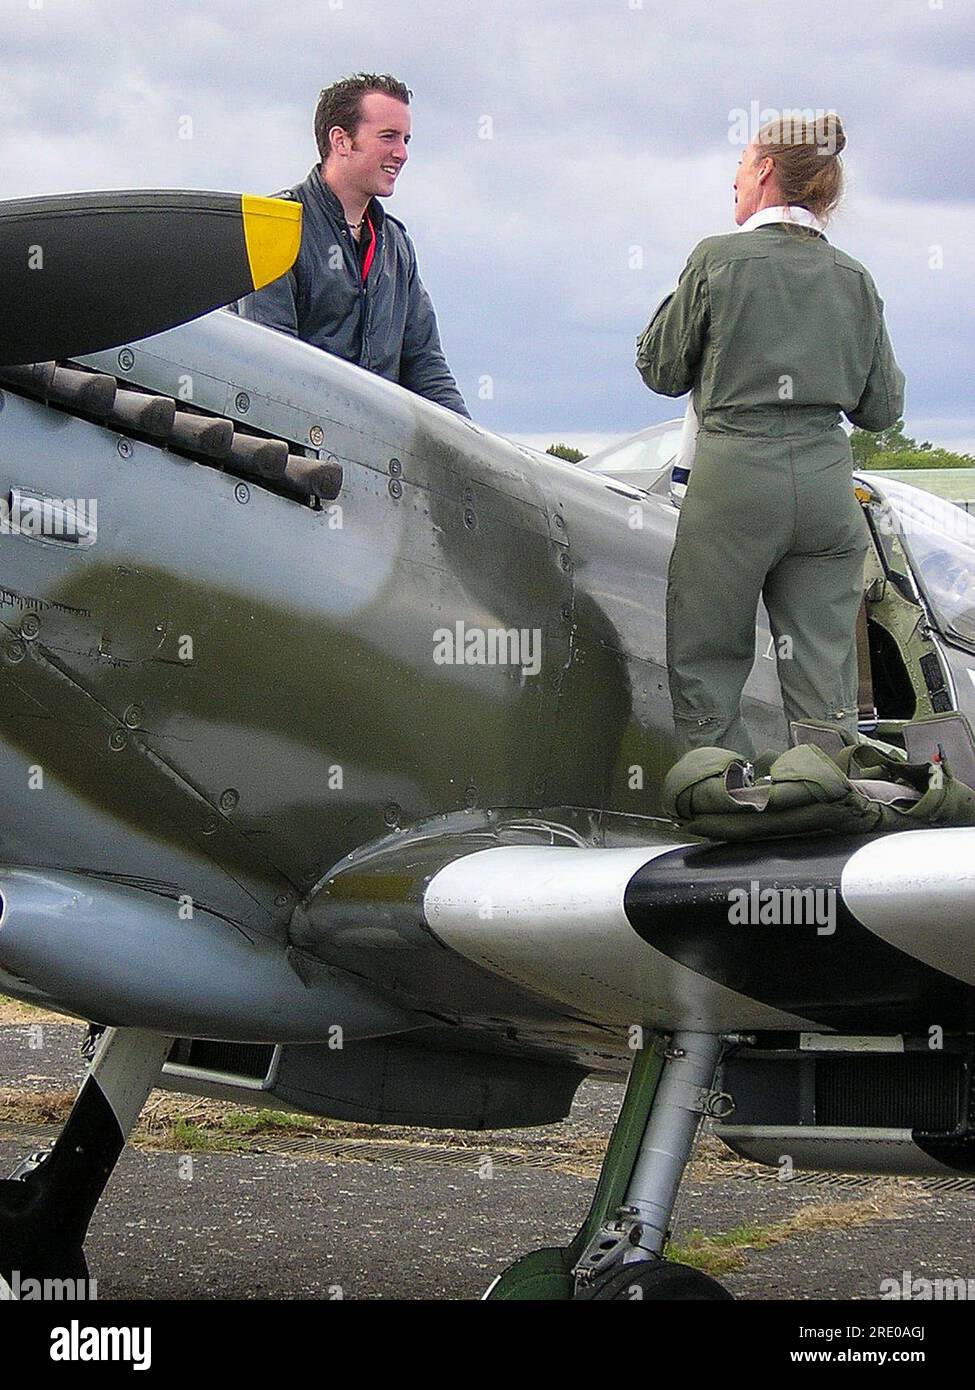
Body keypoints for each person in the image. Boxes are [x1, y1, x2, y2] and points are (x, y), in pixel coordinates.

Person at [636, 113, 905, 759]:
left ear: (762, 171)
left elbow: (660, 369)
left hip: (734, 479)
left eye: (740, 161)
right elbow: (881, 407)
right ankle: (824, 800)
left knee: (708, 657)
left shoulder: (716, 259)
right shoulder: (853, 278)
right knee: (824, 676)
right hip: (823, 489)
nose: (733, 175)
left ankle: (718, 802)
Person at [235, 73, 469, 417]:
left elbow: (426, 368)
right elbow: (270, 367)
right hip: (286, 453)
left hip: (373, 454)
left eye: (406, 139)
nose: (402, 153)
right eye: (388, 137)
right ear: (341, 141)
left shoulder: (396, 246)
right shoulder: (273, 228)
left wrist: (481, 456)